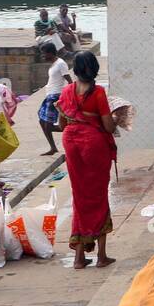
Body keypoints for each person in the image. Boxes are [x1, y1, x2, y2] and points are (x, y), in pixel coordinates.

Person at [57, 51, 117, 269]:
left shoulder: (66, 92)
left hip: (71, 142)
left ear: (75, 69)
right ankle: (101, 256)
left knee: (80, 196)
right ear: (94, 69)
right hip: (93, 145)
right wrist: (117, 118)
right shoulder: (99, 93)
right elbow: (109, 126)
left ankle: (79, 257)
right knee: (98, 196)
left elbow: (62, 124)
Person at [38, 42, 70, 156]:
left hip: (56, 96)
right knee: (42, 121)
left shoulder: (61, 64)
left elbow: (69, 80)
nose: (43, 56)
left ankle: (69, 129)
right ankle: (53, 147)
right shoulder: (53, 64)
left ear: (51, 53)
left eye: (44, 53)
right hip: (49, 96)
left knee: (48, 124)